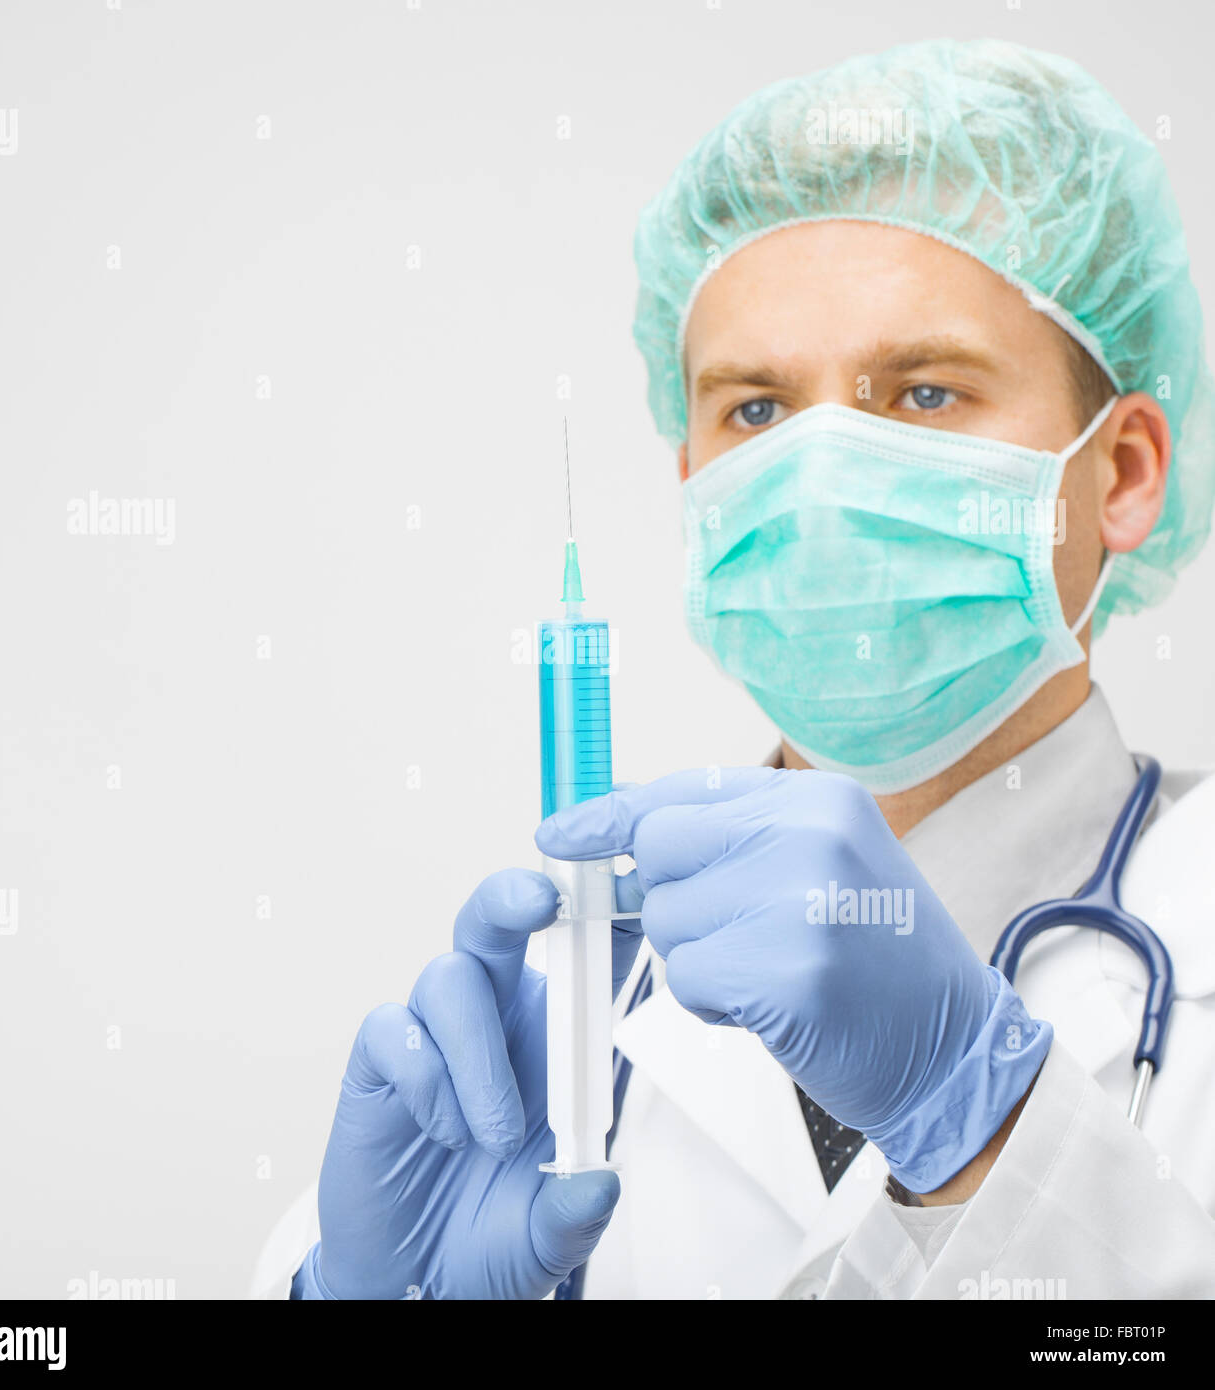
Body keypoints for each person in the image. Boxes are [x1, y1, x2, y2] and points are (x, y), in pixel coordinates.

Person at [253, 37, 1215, 1300]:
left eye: (923, 393)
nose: (818, 475)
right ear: (694, 483)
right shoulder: (558, 1010)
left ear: (1124, 471)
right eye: (755, 410)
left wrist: (981, 1125)